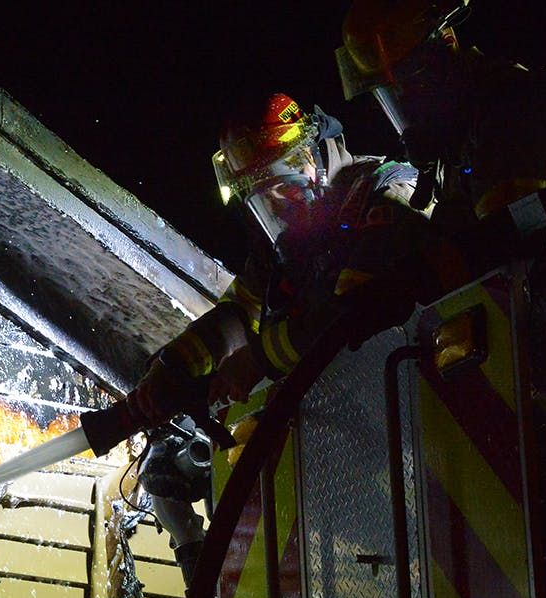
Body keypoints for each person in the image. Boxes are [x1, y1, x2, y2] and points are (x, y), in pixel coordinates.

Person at [126, 93, 466, 430]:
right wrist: (173, 365)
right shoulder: (292, 242)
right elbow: (242, 311)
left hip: (433, 404)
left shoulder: (386, 196)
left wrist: (258, 359)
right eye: (261, 196)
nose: (276, 204)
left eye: (281, 184)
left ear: (312, 158)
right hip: (365, 420)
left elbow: (361, 311)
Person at [337, 0, 546, 266]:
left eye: (412, 80)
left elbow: (506, 242)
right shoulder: (454, 132)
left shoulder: (507, 108)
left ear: (447, 44)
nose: (406, 101)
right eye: (392, 92)